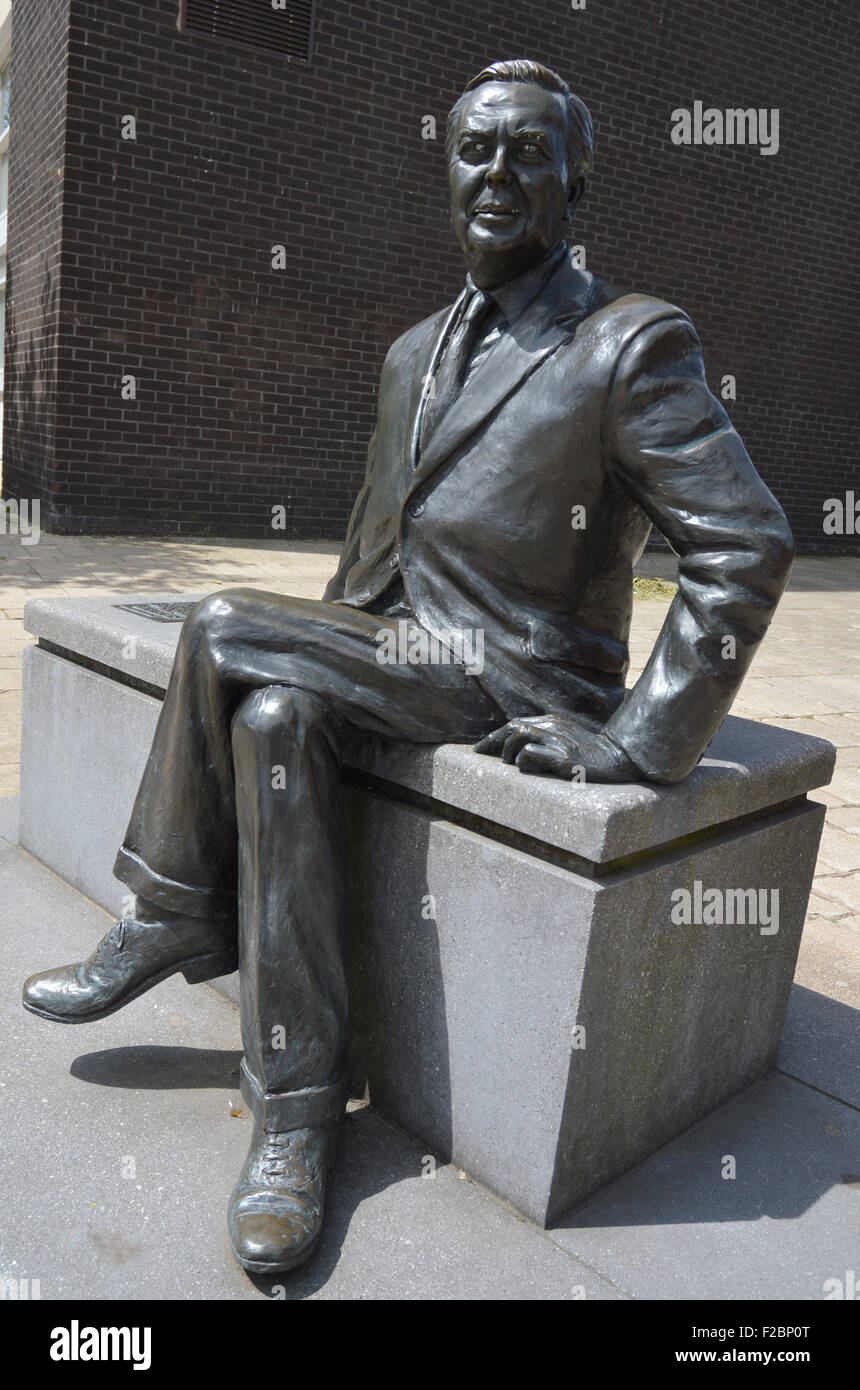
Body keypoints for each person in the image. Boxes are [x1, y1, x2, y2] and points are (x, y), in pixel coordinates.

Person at [21, 59, 794, 1275]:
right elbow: (366, 560)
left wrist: (645, 736)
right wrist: (331, 670)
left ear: (576, 182)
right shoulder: (413, 351)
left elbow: (744, 542)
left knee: (221, 621)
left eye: (526, 152)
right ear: (445, 172)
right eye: (472, 149)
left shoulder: (626, 344)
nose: (494, 172)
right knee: (272, 712)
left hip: (519, 677)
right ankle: (295, 1113)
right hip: (397, 658)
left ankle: (173, 908)